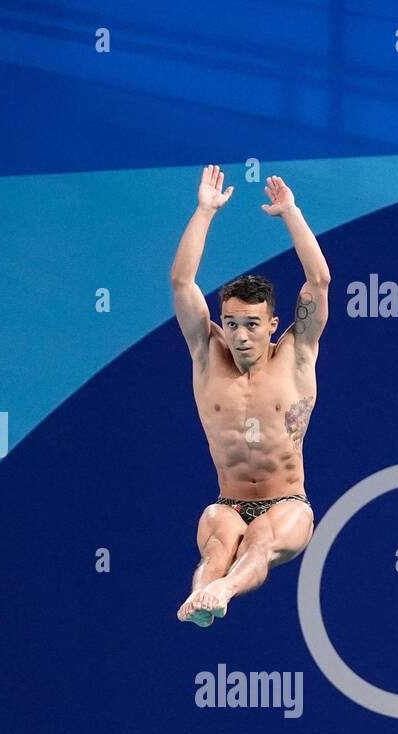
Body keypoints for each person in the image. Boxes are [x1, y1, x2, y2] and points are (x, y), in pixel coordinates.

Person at [171, 166, 331, 627]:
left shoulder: (297, 355)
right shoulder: (207, 352)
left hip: (288, 505)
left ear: (272, 325)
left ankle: (221, 590)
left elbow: (318, 283)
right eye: (233, 323)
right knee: (220, 541)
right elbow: (183, 283)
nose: (241, 336)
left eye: (252, 325)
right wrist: (204, 212)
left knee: (259, 540)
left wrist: (291, 214)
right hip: (228, 501)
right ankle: (206, 592)